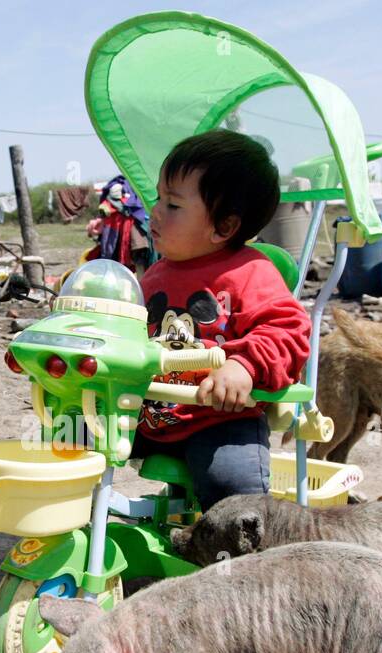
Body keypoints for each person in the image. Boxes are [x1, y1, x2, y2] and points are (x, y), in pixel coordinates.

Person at [131, 129, 309, 509]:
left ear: (223, 227)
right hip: (149, 413)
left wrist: (243, 366)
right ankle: (74, 531)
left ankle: (241, 563)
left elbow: (288, 331)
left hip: (218, 418)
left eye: (173, 205)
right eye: (158, 198)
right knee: (76, 440)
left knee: (233, 486)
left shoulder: (250, 272)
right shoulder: (153, 275)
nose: (155, 212)